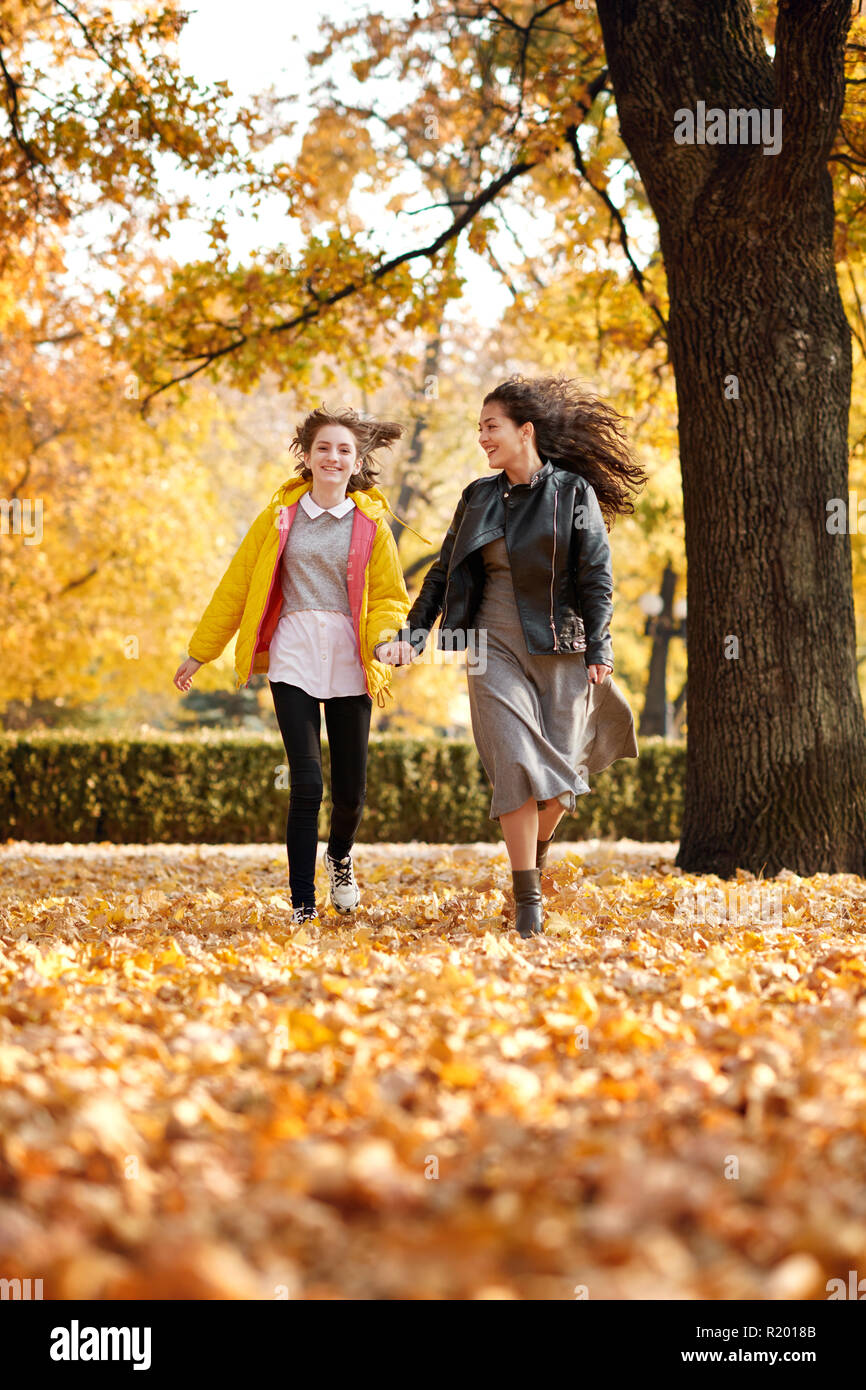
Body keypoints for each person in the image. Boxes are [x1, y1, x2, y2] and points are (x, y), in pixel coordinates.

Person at [377, 375, 646, 938]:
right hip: (489, 647)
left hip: (561, 648)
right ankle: (528, 906)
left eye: (490, 427)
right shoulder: (478, 496)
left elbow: (596, 574)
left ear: (526, 431)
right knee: (516, 764)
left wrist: (600, 644)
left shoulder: (573, 494)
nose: (482, 437)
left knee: (559, 785)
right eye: (478, 428)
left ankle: (535, 862)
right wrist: (414, 634)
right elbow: (443, 571)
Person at [173, 406, 418, 925]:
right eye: (323, 448)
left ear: (356, 463)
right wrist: (200, 652)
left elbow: (390, 599)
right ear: (306, 457)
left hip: (351, 657)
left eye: (344, 450)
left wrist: (384, 643)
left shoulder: (373, 526)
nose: (333, 457)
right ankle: (303, 906)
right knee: (307, 784)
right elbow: (235, 588)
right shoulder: (277, 519)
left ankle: (340, 858)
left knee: (351, 791)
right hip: (294, 655)